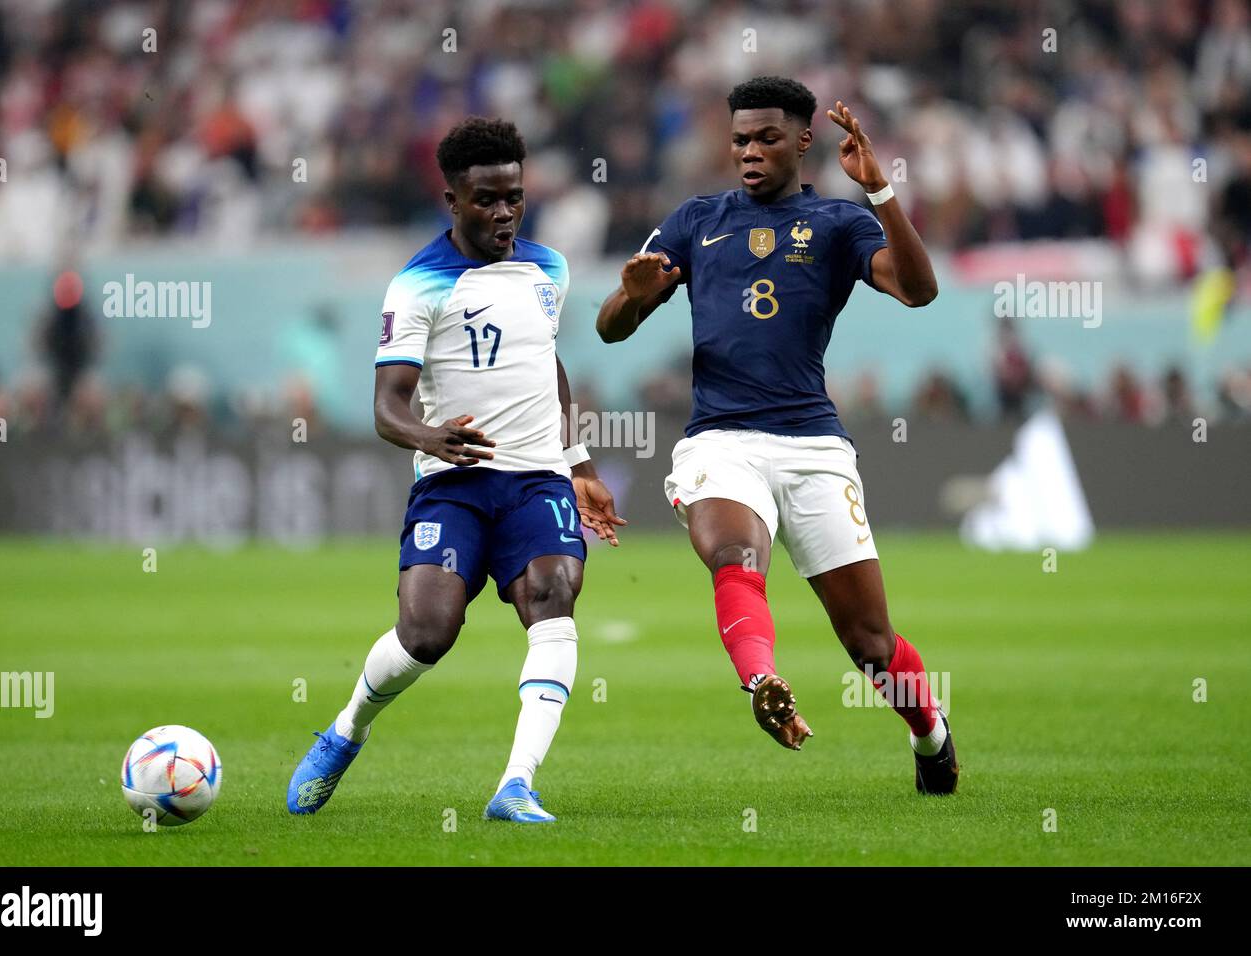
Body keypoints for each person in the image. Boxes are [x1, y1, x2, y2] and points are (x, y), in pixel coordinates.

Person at [595, 76, 959, 794]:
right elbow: (611, 326)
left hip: (813, 445)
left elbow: (919, 291)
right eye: (738, 140)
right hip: (719, 440)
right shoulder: (696, 220)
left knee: (869, 644)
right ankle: (762, 679)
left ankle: (931, 735)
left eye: (766, 138)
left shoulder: (838, 223)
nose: (750, 152)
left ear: (802, 141)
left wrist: (882, 193)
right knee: (735, 553)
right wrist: (633, 301)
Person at [287, 117, 624, 823]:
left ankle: (516, 785)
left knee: (554, 598)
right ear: (454, 201)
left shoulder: (547, 270)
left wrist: (579, 461)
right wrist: (430, 438)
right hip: (453, 483)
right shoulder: (417, 285)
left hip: (537, 479)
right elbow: (387, 406)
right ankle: (346, 729)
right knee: (426, 635)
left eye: (514, 198)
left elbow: (547, 364)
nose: (503, 213)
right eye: (487, 200)